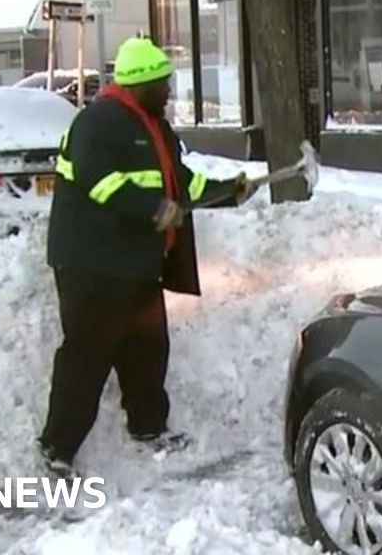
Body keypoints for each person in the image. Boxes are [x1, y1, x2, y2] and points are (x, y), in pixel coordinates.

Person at [39, 37, 257, 475]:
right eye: (162, 83)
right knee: (87, 354)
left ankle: (148, 426)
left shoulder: (155, 127)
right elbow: (98, 182)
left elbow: (182, 184)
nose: (169, 90)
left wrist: (229, 190)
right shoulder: (98, 123)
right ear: (139, 84)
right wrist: (153, 208)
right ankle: (57, 447)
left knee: (147, 347)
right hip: (93, 265)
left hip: (136, 266)